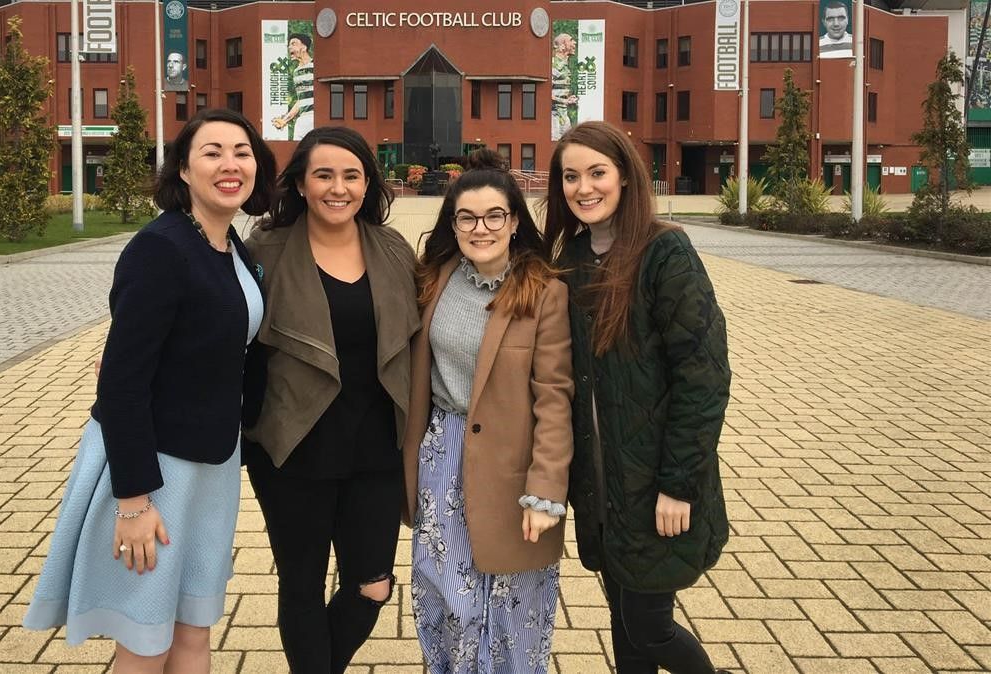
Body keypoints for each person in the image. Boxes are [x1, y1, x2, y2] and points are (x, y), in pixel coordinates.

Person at [23, 108, 277, 674]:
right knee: (145, 641)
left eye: (242, 152)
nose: (230, 164)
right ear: (183, 171)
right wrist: (132, 501)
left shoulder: (229, 245)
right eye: (212, 152)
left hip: (211, 468)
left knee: (193, 627)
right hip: (154, 472)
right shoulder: (160, 248)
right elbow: (122, 384)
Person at [543, 121, 732, 674]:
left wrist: (679, 484)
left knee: (650, 629)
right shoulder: (571, 260)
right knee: (625, 628)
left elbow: (704, 380)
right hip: (602, 487)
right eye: (571, 176)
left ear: (624, 177)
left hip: (655, 484)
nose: (584, 188)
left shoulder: (664, 252)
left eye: (597, 173)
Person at [242, 126, 419, 673]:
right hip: (293, 447)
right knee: (301, 585)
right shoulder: (262, 251)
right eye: (323, 175)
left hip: (377, 452)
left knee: (374, 586)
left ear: (368, 183)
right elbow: (219, 322)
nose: (337, 188)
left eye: (351, 175)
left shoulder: (391, 248)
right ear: (298, 183)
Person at [405, 149, 574, 673]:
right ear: (451, 223)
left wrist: (546, 490)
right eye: (467, 217)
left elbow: (555, 395)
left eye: (494, 215)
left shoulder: (544, 292)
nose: (481, 228)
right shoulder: (433, 280)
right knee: (448, 598)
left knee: (509, 602)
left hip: (511, 467)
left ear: (514, 220)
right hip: (440, 462)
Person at [271, 33, 314, 138]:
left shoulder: (316, 65)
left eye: (293, 43)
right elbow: (301, 99)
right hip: (302, 120)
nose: (289, 47)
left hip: (316, 118)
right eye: (289, 45)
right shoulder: (296, 72)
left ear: (304, 47)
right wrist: (285, 119)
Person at [551, 32, 578, 140]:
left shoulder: (564, 65)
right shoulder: (555, 65)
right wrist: (565, 101)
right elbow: (544, 92)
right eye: (571, 40)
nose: (574, 43)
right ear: (562, 46)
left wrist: (567, 99)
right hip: (554, 116)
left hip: (562, 114)